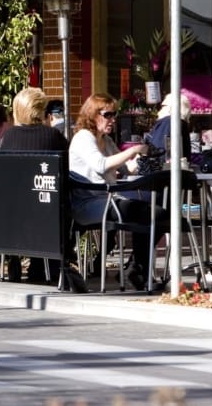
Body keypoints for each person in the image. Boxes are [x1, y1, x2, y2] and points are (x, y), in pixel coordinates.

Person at [68, 93, 164, 290]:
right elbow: (101, 165)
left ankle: (137, 266)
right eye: (108, 114)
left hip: (108, 199)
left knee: (159, 214)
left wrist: (144, 162)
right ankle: (137, 270)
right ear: (93, 115)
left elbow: (125, 169)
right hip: (88, 204)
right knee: (148, 213)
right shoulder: (83, 138)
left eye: (115, 115)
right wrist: (133, 150)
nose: (112, 119)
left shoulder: (107, 140)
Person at [0, 88, 86, 291]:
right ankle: (47, 265)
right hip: (48, 211)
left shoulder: (9, 137)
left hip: (14, 211)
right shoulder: (53, 136)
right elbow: (67, 166)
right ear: (41, 112)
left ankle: (17, 259)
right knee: (62, 203)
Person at [144, 92, 192, 166]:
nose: (160, 110)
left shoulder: (169, 122)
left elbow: (160, 148)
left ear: (171, 107)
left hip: (161, 170)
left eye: (163, 106)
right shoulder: (179, 123)